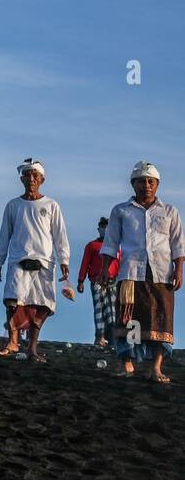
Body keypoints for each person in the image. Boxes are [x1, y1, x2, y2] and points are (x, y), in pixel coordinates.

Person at [101, 161, 183, 383]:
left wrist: (179, 270)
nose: (146, 185)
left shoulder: (169, 212)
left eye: (151, 182)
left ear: (157, 185)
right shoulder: (121, 211)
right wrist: (104, 269)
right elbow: (110, 242)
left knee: (160, 320)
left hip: (161, 275)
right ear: (132, 184)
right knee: (129, 320)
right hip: (130, 273)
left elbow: (178, 245)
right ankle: (127, 363)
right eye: (141, 181)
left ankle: (155, 367)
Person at [0, 158, 71, 362]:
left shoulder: (52, 205)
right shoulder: (13, 205)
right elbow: (4, 235)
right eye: (27, 175)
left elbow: (60, 235)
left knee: (41, 305)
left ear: (42, 179)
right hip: (18, 259)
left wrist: (64, 261)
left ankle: (32, 349)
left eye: (35, 175)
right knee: (12, 300)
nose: (31, 178)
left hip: (44, 262)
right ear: (21, 178)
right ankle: (12, 341)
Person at [78, 217, 119, 348]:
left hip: (113, 282)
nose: (105, 230)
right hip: (96, 281)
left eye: (107, 227)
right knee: (99, 309)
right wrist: (81, 280)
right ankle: (99, 337)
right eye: (103, 227)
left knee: (112, 311)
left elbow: (121, 264)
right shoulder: (91, 246)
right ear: (98, 229)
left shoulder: (116, 246)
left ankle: (112, 339)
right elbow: (85, 263)